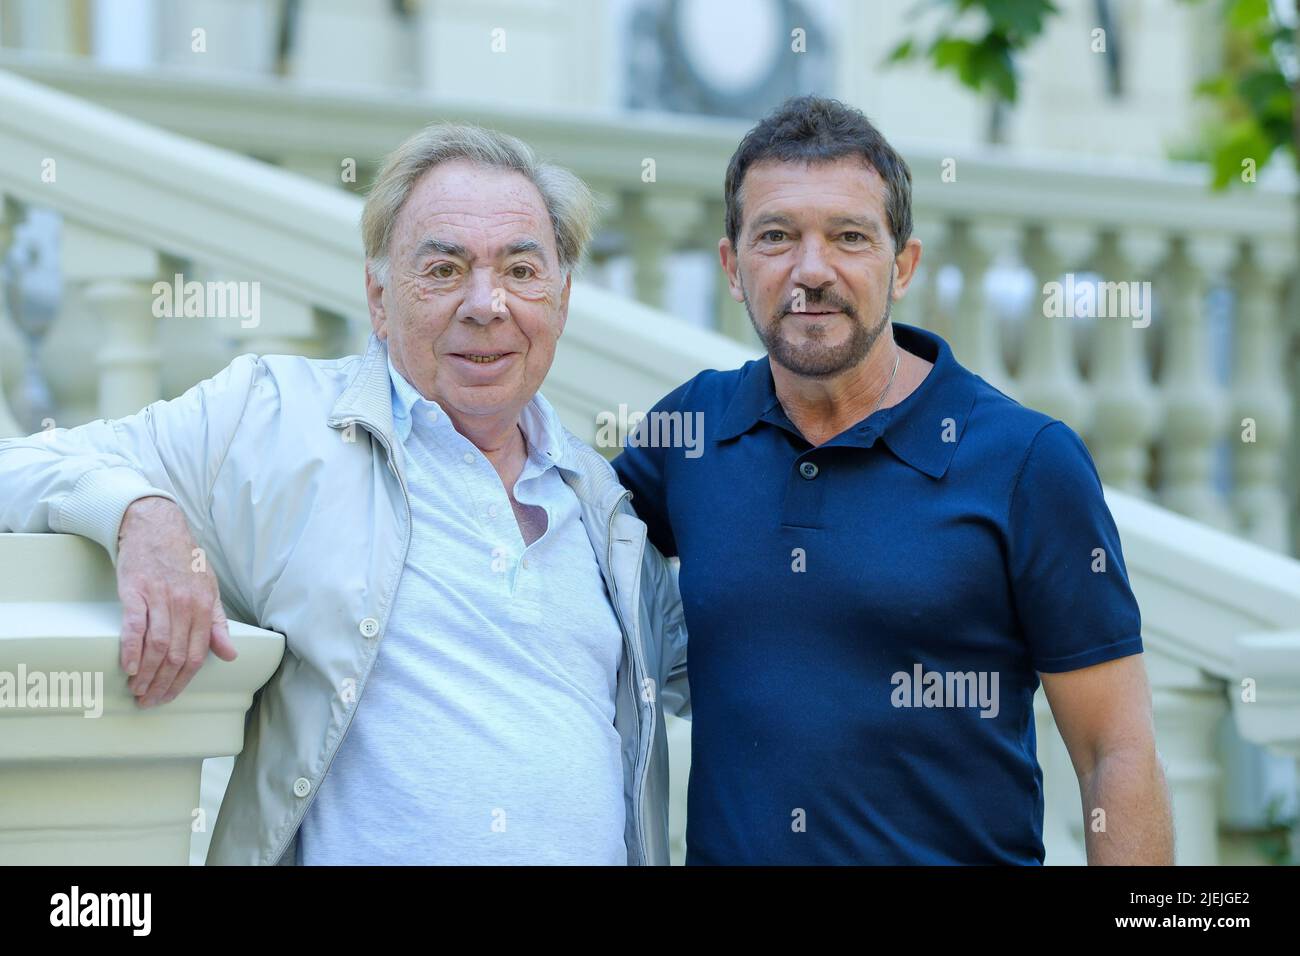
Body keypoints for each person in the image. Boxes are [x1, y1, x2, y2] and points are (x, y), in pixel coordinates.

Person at [0, 124, 687, 866]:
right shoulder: (272, 421)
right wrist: (142, 514)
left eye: (520, 270)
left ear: (561, 299)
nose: (486, 304)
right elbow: (19, 464)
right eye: (445, 269)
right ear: (379, 296)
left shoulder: (603, 505)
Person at [613, 95, 1174, 865]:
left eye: (849, 236)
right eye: (776, 236)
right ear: (732, 266)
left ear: (901, 265)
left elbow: (1117, 748)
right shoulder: (692, 433)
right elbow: (544, 541)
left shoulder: (1024, 460)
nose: (811, 270)